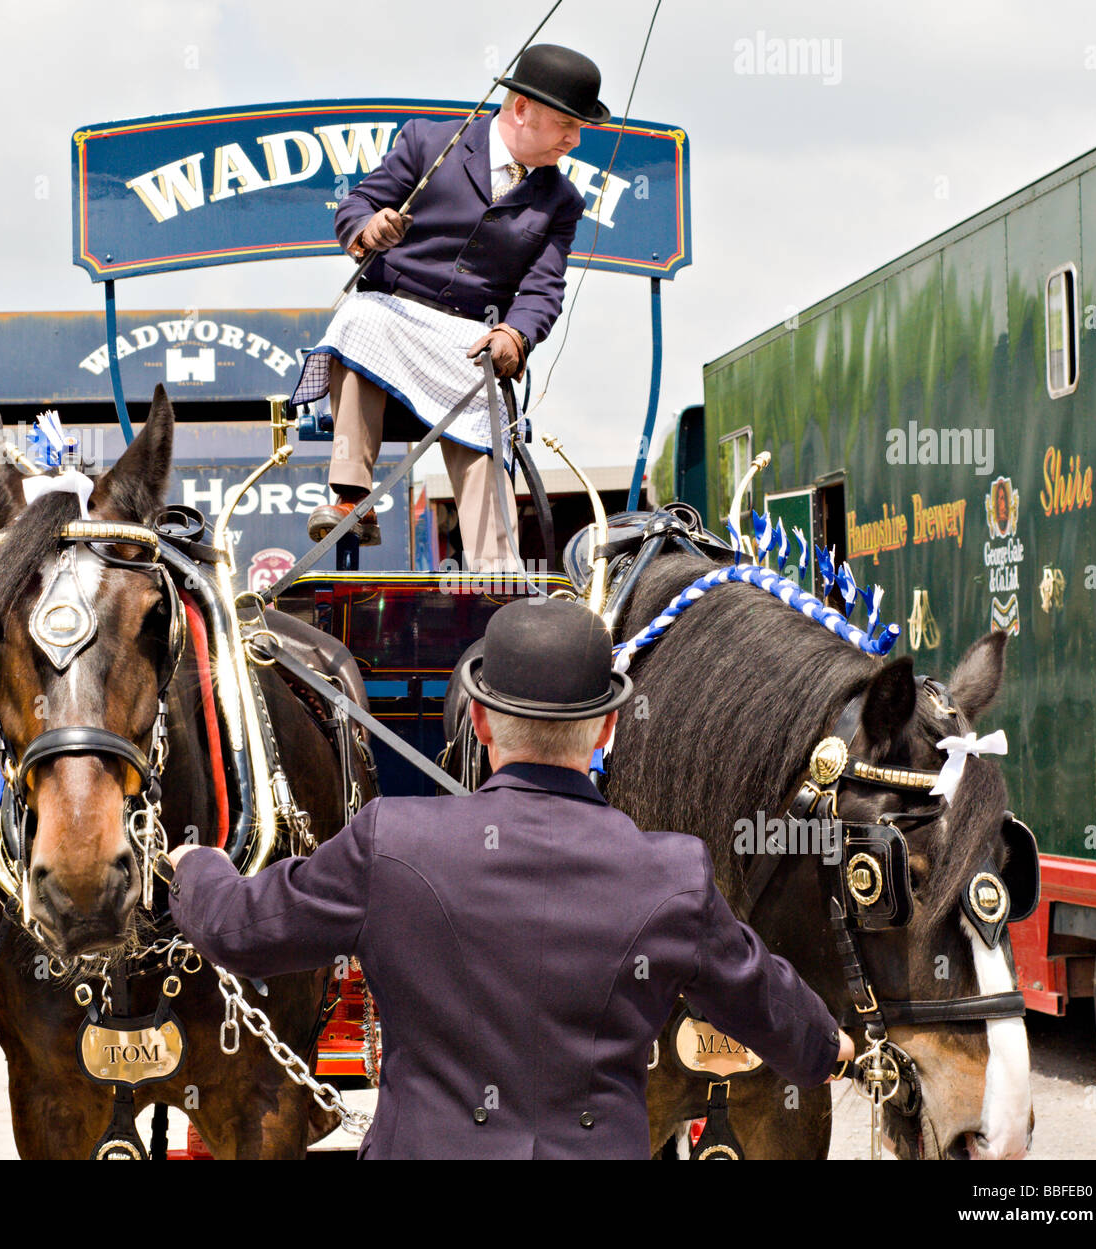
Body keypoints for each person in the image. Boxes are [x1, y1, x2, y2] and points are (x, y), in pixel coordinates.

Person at [167, 597, 854, 1159]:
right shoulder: (672, 875)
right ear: (609, 727)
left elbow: (237, 928)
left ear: (478, 718)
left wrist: (196, 863)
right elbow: (769, 1005)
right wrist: (832, 1050)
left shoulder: (392, 843)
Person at [292, 44, 609, 570]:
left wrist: (515, 337)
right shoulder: (427, 141)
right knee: (358, 316)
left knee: (485, 389)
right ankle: (352, 501)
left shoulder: (562, 201)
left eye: (580, 128)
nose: (574, 141)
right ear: (521, 108)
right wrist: (369, 228)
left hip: (471, 339)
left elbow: (543, 287)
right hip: (393, 316)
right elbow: (358, 205)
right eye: (565, 125)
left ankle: (495, 567)